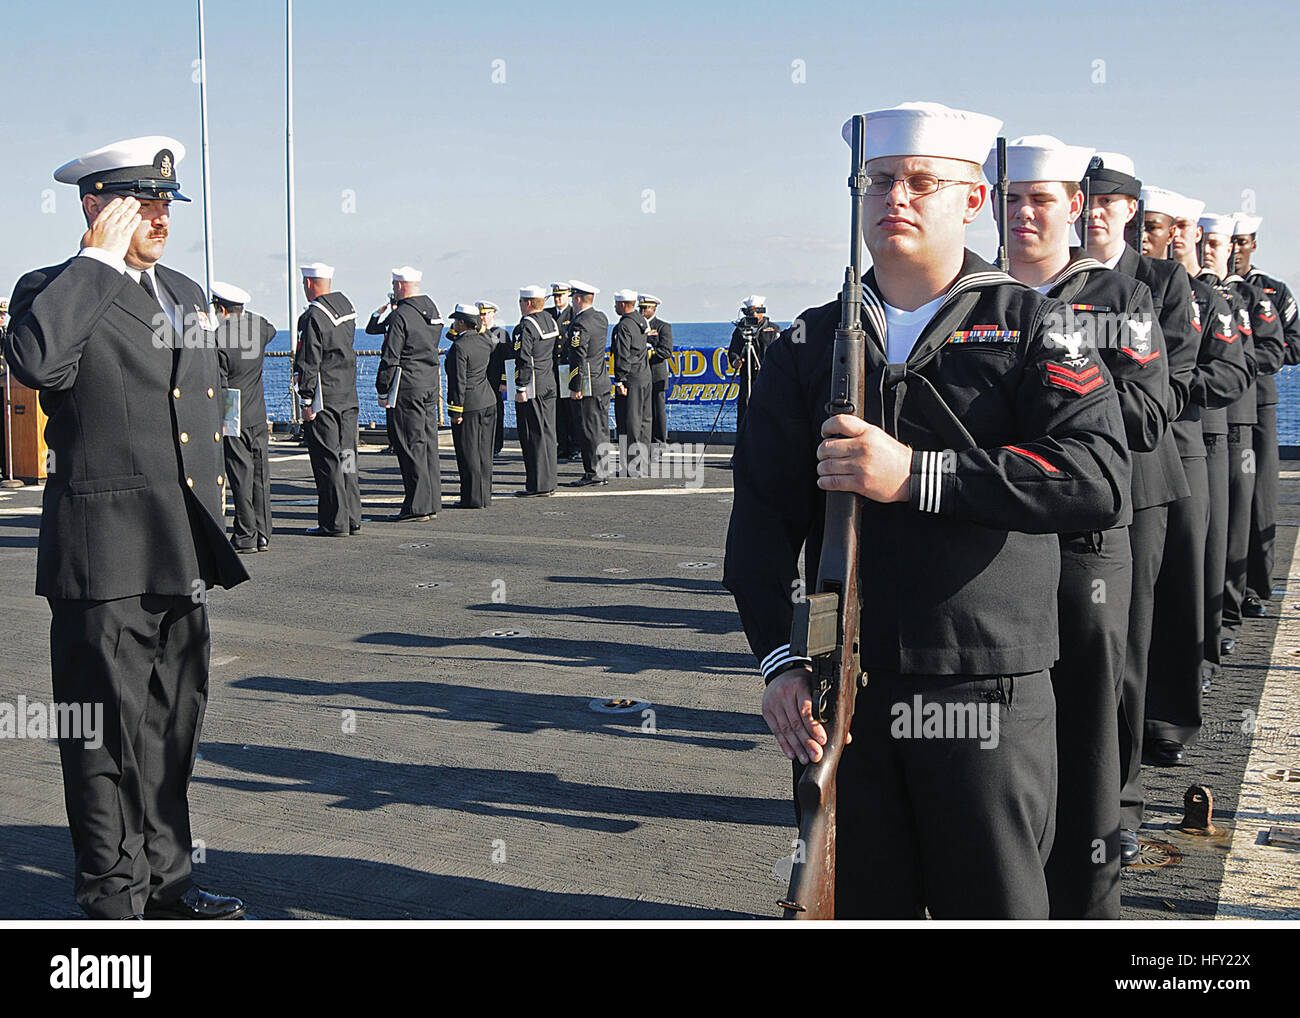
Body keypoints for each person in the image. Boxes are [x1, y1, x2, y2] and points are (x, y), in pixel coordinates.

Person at [724, 102, 1128, 918]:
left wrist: (916, 475)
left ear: (973, 200)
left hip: (984, 685)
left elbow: (1095, 476)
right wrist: (778, 661)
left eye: (921, 182)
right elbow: (761, 520)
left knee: (994, 905)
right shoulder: (811, 342)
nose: (895, 198)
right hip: (846, 693)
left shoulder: (1034, 324)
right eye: (877, 182)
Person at [3, 136, 249, 919]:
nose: (161, 217)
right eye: (142, 204)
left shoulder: (183, 291)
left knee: (172, 734)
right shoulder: (51, 291)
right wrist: (96, 264)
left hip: (179, 552)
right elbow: (38, 365)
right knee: (104, 740)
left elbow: (212, 390)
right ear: (97, 207)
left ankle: (168, 886)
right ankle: (113, 898)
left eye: (166, 204)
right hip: (101, 559)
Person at [995, 135, 1162, 918]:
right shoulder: (976, 300)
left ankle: (1090, 905)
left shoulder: (1117, 299)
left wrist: (1059, 406)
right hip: (993, 552)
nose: (1024, 213)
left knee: (1089, 739)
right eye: (1011, 197)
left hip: (1083, 550)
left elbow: (1151, 408)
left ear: (1075, 207)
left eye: (1041, 198)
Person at [1080, 153, 1198, 862]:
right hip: (1059, 481)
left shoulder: (1159, 281)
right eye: (1085, 198)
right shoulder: (1050, 281)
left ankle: (1118, 801)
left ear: (1130, 211)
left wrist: (1071, 394)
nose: (1094, 210)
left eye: (1109, 201)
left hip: (1138, 484)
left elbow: (1172, 387)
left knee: (1126, 645)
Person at [1142, 189, 1249, 763]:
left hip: (1182, 444)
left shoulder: (1209, 299)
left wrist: (1164, 394)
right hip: (1117, 453)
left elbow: (1231, 374)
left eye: (1167, 227)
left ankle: (1168, 717)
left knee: (1183, 583)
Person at [1170, 203, 1252, 695]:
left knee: (1200, 553)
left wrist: (1168, 383)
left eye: (1179, 228)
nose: (1174, 239)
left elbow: (1235, 369)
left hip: (1197, 434)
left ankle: (1199, 654)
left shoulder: (1209, 299)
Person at [1231, 214, 1297, 615]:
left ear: (1253, 244)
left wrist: (1242, 358)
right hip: (1221, 409)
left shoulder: (1271, 291)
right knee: (1233, 500)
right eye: (1229, 242)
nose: (1235, 249)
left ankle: (1259, 582)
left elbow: (1294, 344)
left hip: (1258, 401)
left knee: (1261, 499)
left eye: (1242, 242)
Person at [365, 266, 442, 521]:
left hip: (407, 385)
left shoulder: (401, 317)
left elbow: (391, 356)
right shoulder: (431, 310)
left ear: (399, 286)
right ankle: (430, 502)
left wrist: (383, 388)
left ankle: (416, 506)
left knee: (409, 444)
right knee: (427, 442)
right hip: (429, 381)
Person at [295, 262, 361, 537]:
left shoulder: (314, 316)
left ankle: (334, 521)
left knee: (327, 460)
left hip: (325, 397)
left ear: (310, 284)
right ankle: (353, 516)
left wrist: (306, 401)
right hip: (348, 393)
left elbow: (309, 360)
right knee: (348, 456)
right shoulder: (345, 308)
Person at [213, 281, 276, 553]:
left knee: (239, 474)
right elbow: (271, 330)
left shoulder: (217, 337)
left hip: (232, 413)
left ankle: (245, 534)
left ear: (220, 308)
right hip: (257, 412)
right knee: (260, 474)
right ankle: (263, 532)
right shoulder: (259, 326)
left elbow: (218, 382)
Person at [445, 303, 495, 508]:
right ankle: (484, 496)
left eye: (457, 320)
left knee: (468, 453)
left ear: (463, 322)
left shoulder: (459, 347)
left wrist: (455, 409)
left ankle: (471, 498)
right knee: (484, 452)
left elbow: (458, 381)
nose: (454, 324)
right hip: (488, 400)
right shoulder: (485, 341)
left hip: (469, 404)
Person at [563, 281, 612, 487]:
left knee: (588, 429)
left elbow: (578, 356)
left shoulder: (580, 323)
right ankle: (603, 470)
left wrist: (576, 386)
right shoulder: (601, 318)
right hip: (601, 379)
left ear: (578, 298)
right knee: (601, 428)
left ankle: (593, 472)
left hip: (588, 383)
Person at [511, 284, 559, 496]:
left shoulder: (526, 326)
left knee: (533, 434)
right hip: (549, 381)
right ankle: (549, 481)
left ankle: (537, 484)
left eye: (521, 301)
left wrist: (521, 386)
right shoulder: (550, 320)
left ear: (528, 302)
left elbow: (524, 358)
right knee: (548, 433)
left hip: (533, 385)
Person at [611, 288, 651, 476]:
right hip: (644, 375)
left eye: (617, 303)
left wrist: (620, 379)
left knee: (630, 422)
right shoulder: (641, 321)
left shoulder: (624, 325)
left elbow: (622, 355)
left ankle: (632, 466)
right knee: (644, 420)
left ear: (623, 304)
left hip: (631, 378)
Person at [727, 296, 780, 429]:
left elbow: (778, 352)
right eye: (751, 312)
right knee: (745, 408)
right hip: (747, 375)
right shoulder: (740, 330)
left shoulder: (773, 329)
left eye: (757, 311)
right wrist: (735, 361)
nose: (755, 315)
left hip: (767, 375)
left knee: (767, 408)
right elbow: (733, 351)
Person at [639, 294, 674, 447]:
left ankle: (659, 442)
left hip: (655, 374)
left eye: (645, 308)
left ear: (653, 309)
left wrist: (650, 353)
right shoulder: (636, 326)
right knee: (641, 410)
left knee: (657, 411)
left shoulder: (662, 327)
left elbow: (666, 351)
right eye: (640, 307)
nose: (641, 310)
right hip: (639, 375)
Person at [479, 301, 511, 457]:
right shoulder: (476, 333)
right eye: (480, 314)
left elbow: (508, 359)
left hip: (495, 381)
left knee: (496, 413)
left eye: (485, 314)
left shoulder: (500, 334)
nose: (482, 317)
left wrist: (504, 381)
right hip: (479, 382)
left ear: (493, 314)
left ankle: (496, 445)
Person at [550, 282, 578, 460]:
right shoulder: (548, 314)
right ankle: (562, 444)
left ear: (569, 296)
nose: (558, 299)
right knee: (558, 409)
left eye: (561, 295)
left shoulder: (574, 313)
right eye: (555, 296)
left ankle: (575, 445)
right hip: (553, 366)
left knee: (571, 409)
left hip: (568, 365)